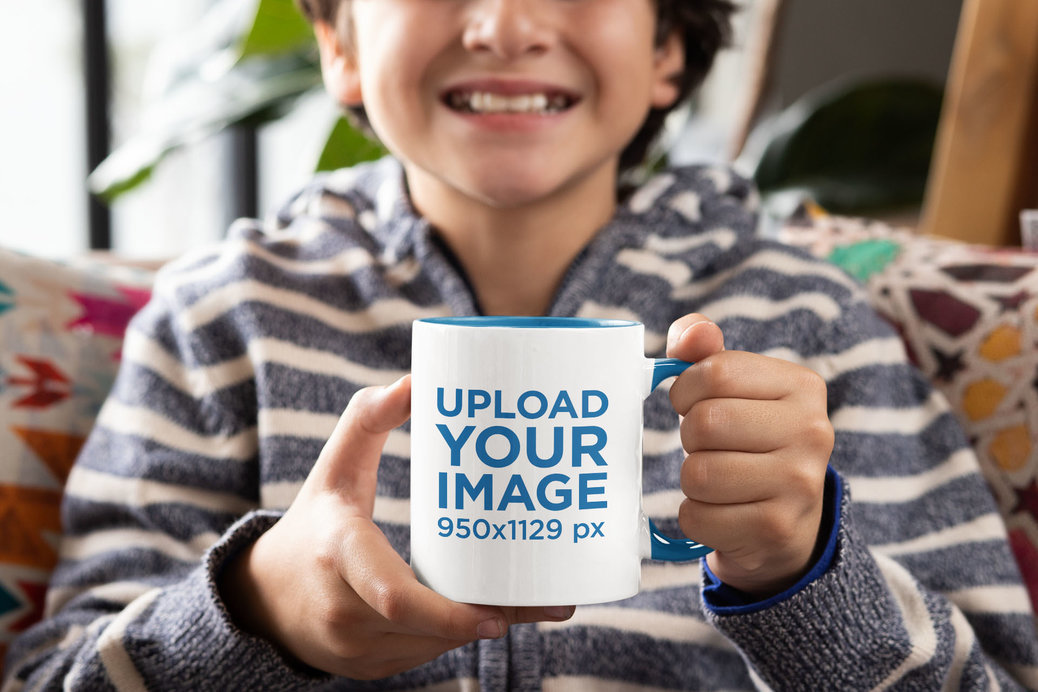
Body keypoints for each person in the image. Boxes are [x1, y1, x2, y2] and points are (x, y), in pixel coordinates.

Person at [5, 0, 1038, 688]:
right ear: (341, 46)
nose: (505, 24)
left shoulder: (811, 326)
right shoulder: (223, 318)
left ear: (668, 47)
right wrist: (258, 609)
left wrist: (805, 574)